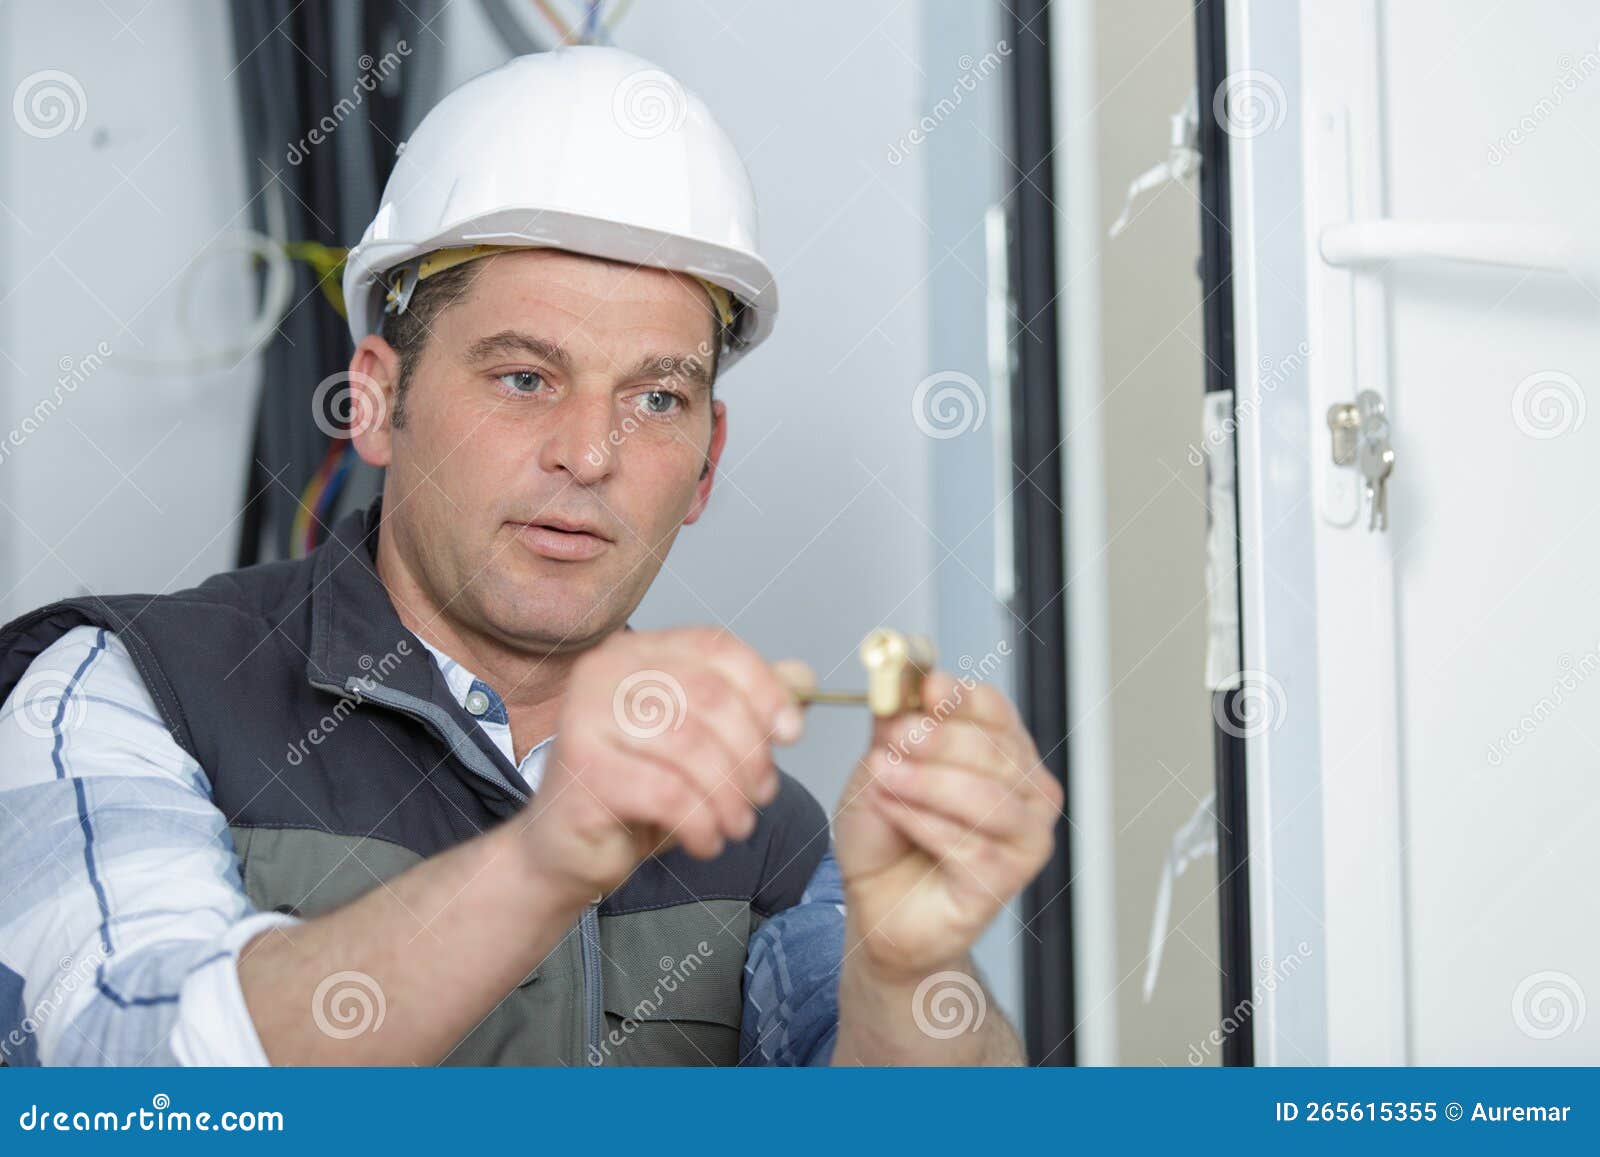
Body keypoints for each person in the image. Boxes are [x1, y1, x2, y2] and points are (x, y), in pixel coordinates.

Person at [0, 45, 1060, 1067]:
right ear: (376, 398)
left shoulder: (762, 832)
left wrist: (913, 966)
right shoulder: (132, 687)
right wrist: (547, 856)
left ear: (703, 465)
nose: (590, 453)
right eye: (523, 376)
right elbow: (125, 1078)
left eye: (656, 398)